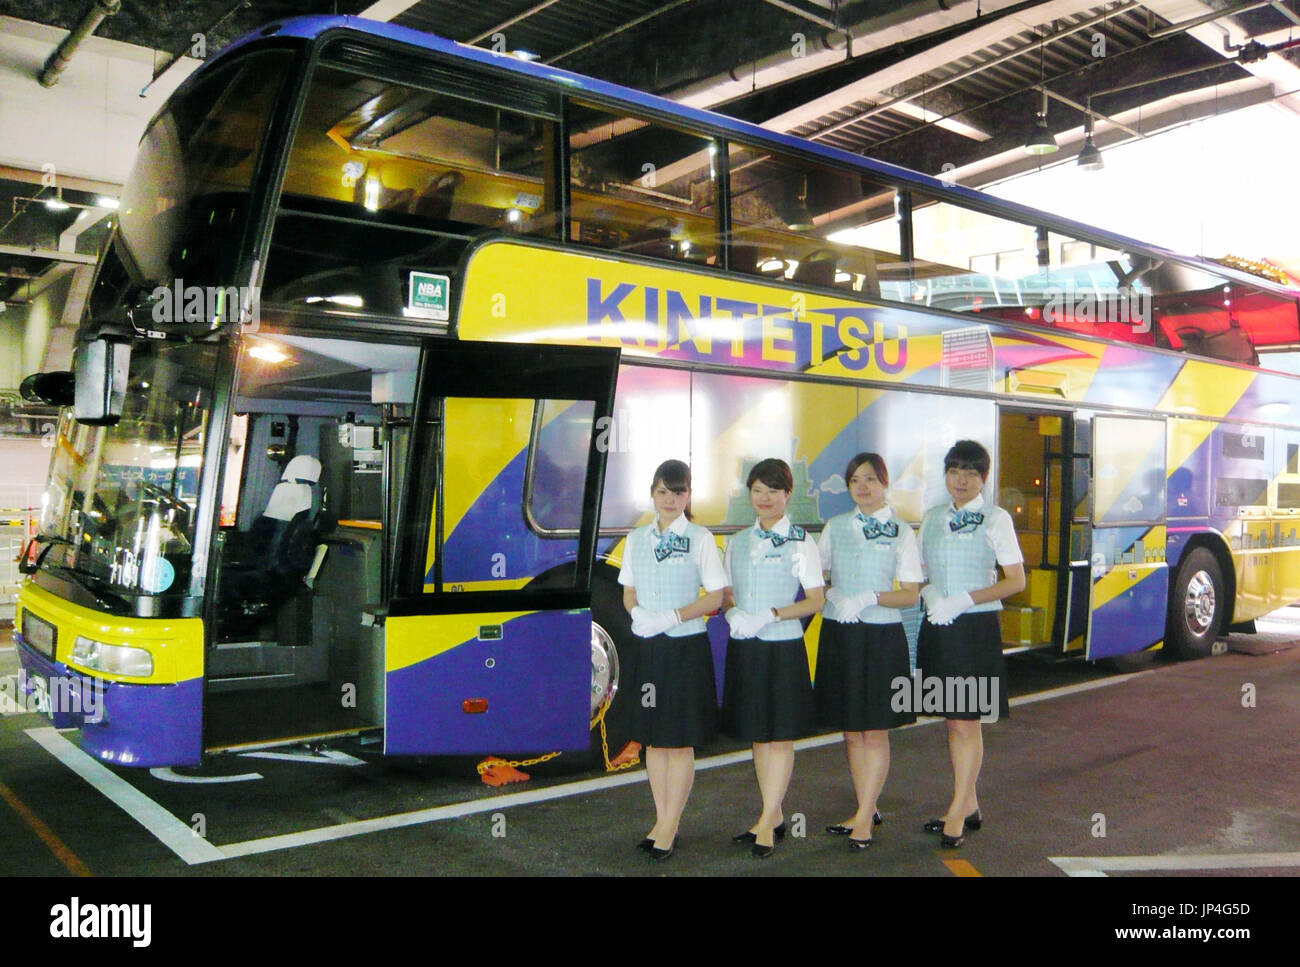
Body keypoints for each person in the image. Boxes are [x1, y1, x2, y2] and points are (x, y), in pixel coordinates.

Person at [916, 440, 1024, 848]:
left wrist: (966, 598)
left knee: (967, 721)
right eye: (954, 471)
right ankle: (969, 803)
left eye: (970, 473)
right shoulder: (933, 517)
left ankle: (957, 812)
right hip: (939, 624)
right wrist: (929, 594)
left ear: (984, 477)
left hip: (974, 627)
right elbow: (920, 571)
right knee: (951, 721)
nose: (960, 480)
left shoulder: (995, 519)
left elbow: (1016, 580)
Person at [618, 459, 726, 862]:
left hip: (685, 649)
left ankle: (670, 824)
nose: (670, 499)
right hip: (648, 647)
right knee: (653, 737)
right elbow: (628, 592)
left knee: (678, 740)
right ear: (652, 493)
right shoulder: (636, 538)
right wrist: (638, 615)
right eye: (663, 491)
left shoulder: (699, 537)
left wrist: (674, 616)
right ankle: (662, 818)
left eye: (678, 492)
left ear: (688, 495)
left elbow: (715, 596)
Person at [816, 452, 921, 849]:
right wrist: (836, 593)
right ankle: (866, 806)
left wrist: (870, 597)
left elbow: (910, 595)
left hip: (879, 637)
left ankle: (863, 817)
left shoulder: (900, 531)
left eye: (871, 480)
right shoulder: (836, 526)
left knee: (873, 730)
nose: (862, 487)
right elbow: (818, 580)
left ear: (885, 483)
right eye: (855, 480)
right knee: (851, 730)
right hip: (841, 632)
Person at [721, 458, 825, 858]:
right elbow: (727, 594)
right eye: (757, 490)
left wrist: (773, 614)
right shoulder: (739, 540)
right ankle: (773, 814)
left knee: (779, 735)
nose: (764, 498)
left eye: (773, 491)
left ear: (788, 495)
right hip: (747, 645)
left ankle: (766, 821)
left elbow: (815, 599)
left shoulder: (801, 540)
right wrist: (732, 614)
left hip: (782, 645)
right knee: (758, 734)